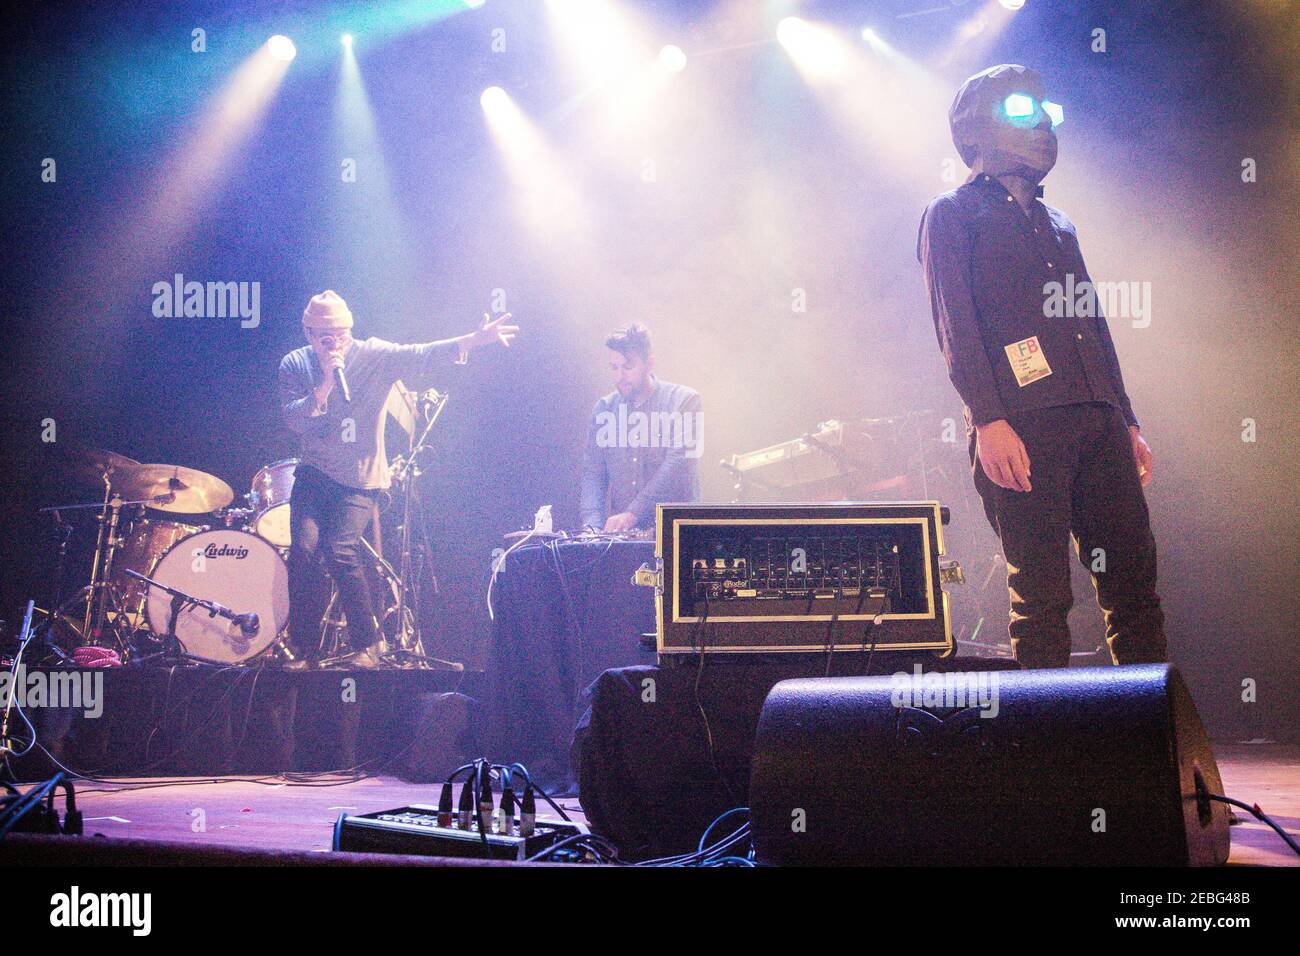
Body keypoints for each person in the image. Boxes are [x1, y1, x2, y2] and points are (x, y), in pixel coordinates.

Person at [917, 64, 1166, 668]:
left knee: (1133, 585)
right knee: (1042, 595)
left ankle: (1145, 738)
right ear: (980, 126)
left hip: (1098, 421)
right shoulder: (951, 215)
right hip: (1023, 425)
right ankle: (1045, 754)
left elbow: (1094, 324)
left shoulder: (1060, 224)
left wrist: (1125, 418)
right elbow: (957, 328)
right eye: (1022, 111)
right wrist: (989, 419)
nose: (1041, 124)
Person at [278, 290, 517, 668]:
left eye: (341, 334)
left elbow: (420, 353)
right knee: (304, 551)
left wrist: (472, 340)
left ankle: (370, 644)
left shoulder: (372, 354)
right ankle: (305, 650)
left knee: (340, 550)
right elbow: (293, 419)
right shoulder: (295, 364)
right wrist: (324, 382)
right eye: (326, 337)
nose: (335, 343)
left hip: (360, 475)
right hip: (315, 471)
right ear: (309, 334)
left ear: (350, 330)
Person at [579, 323, 702, 532]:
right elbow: (593, 474)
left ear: (649, 363)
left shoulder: (685, 401)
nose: (619, 376)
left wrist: (633, 513)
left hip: (678, 536)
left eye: (628, 367)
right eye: (614, 367)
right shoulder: (604, 409)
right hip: (624, 541)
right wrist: (591, 529)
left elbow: (678, 463)